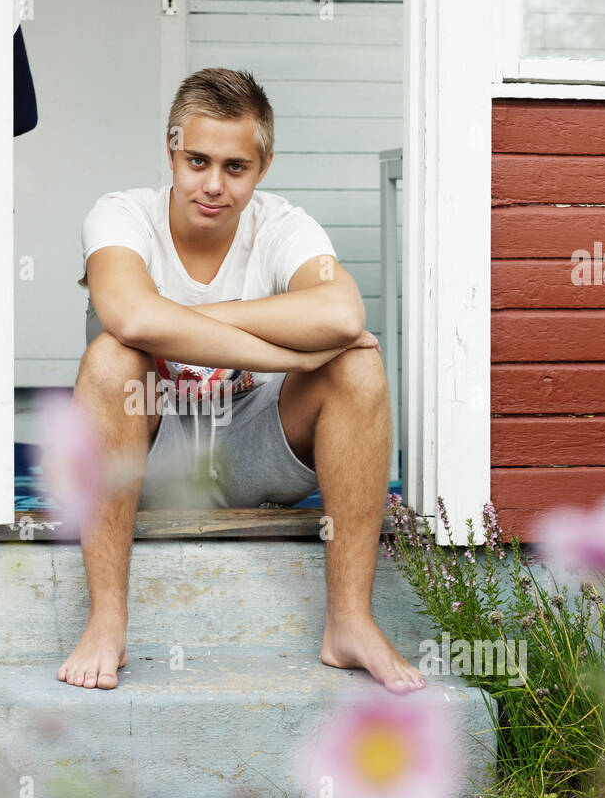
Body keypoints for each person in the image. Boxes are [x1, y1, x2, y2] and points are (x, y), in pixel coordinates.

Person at [58, 67, 424, 695]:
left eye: (235, 168)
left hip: (254, 445)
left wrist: (183, 321)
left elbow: (342, 316)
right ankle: (107, 619)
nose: (212, 185)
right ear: (170, 148)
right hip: (153, 452)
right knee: (113, 358)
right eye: (197, 160)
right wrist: (289, 354)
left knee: (357, 363)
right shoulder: (121, 215)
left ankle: (351, 622)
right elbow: (130, 315)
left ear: (264, 165)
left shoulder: (284, 226)